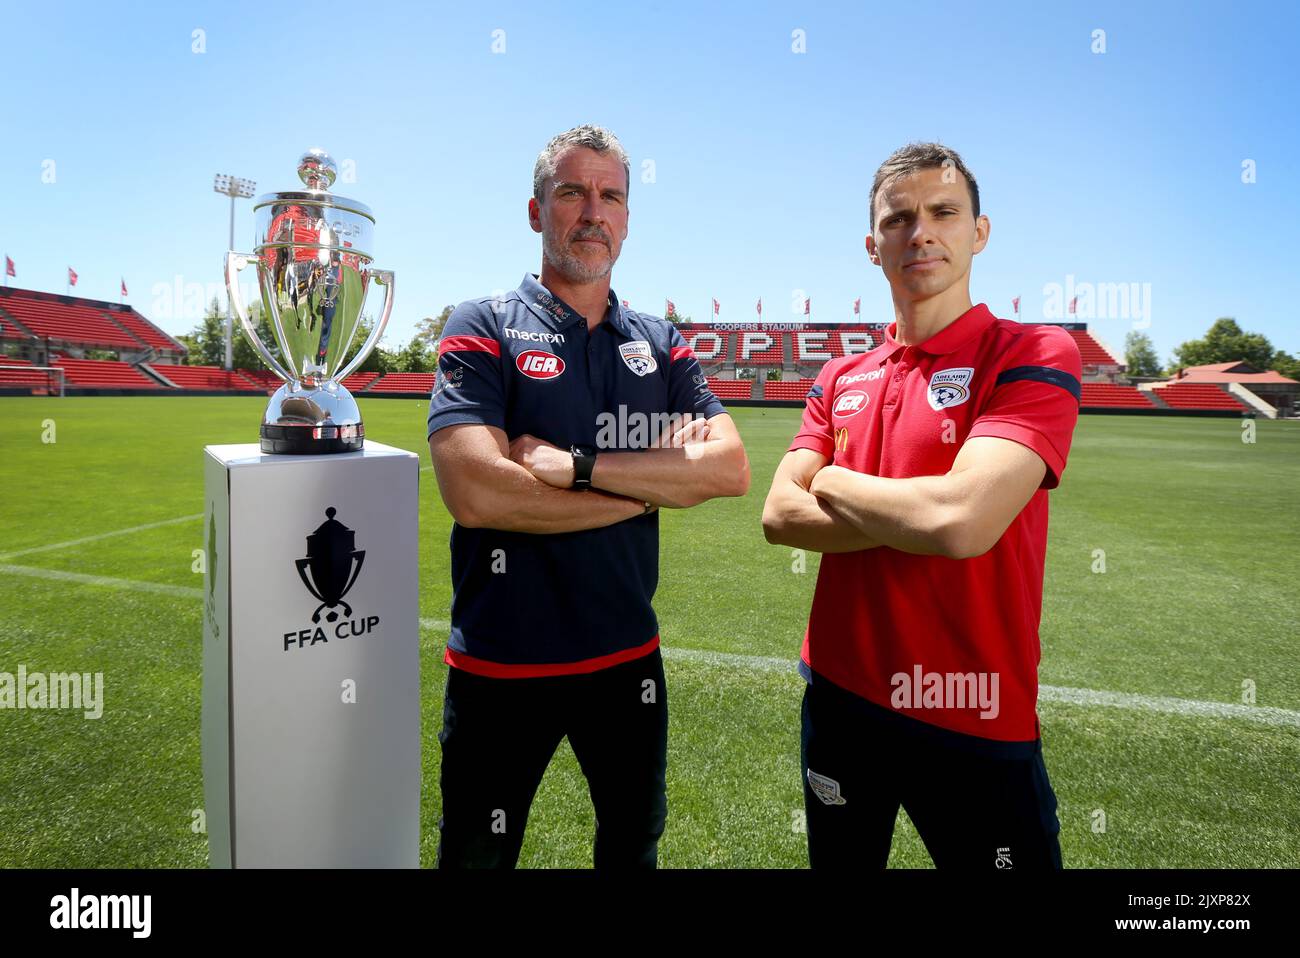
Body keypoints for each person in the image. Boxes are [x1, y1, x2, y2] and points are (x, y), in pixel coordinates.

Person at [426, 124, 750, 869]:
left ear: (628, 218)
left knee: (632, 848)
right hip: (501, 666)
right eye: (571, 192)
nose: (592, 211)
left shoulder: (661, 341)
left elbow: (728, 468)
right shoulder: (481, 326)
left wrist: (572, 466)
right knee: (475, 854)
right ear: (537, 211)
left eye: (611, 196)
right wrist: (650, 489)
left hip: (627, 661)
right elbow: (476, 491)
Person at [763, 142, 1082, 870]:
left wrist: (836, 482)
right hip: (840, 701)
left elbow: (959, 522)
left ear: (980, 231)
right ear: (872, 246)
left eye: (944, 212)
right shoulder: (841, 372)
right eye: (898, 218)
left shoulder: (1032, 350)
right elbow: (779, 516)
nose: (921, 232)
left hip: (975, 713)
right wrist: (914, 511)